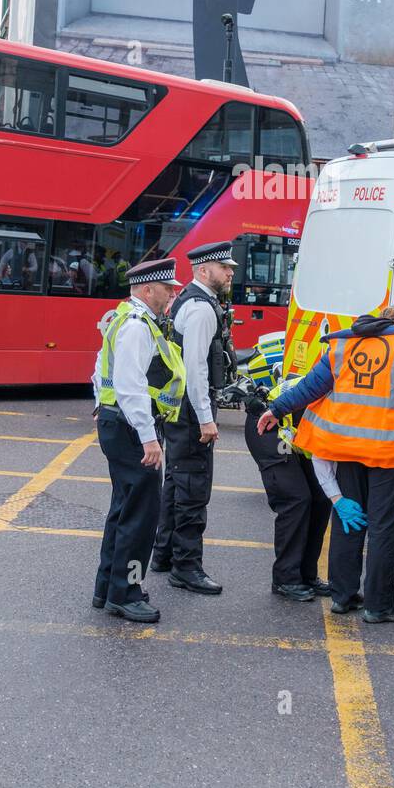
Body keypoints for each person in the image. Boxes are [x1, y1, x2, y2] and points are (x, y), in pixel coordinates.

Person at [257, 309, 394, 623]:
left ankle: (342, 597)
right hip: (390, 452)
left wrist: (277, 408)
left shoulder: (343, 345)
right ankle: (379, 605)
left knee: (349, 523)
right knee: (383, 528)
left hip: (346, 448)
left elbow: (310, 387)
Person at [92, 258, 186, 623]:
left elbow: (100, 366)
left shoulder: (124, 318)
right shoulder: (136, 326)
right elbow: (131, 386)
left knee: (122, 510)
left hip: (119, 424)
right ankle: (126, 594)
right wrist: (149, 439)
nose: (173, 293)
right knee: (141, 518)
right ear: (148, 290)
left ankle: (108, 588)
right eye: (168, 288)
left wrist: (100, 403)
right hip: (133, 428)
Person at [151, 241, 237, 594]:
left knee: (176, 479)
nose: (230, 272)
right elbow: (195, 368)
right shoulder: (201, 309)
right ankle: (186, 567)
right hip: (191, 412)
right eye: (224, 267)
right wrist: (206, 418)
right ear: (204, 270)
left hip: (177, 410)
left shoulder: (188, 298)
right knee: (193, 488)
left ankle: (163, 553)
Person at [244, 375, 332, 602]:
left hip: (295, 434)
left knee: (321, 500)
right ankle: (285, 579)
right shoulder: (342, 393)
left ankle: (306, 575)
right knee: (296, 499)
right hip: (267, 424)